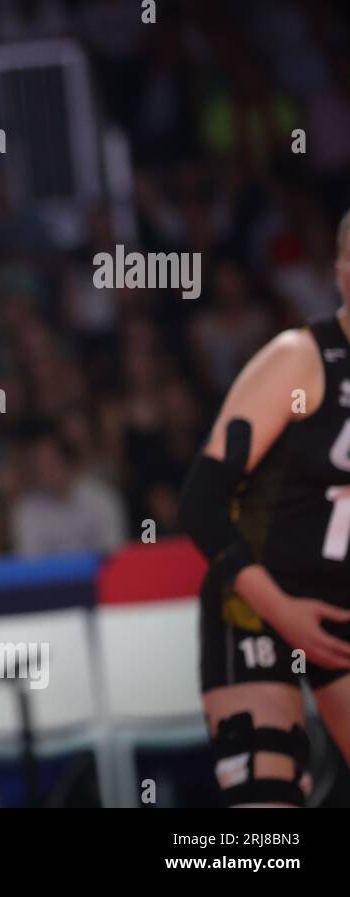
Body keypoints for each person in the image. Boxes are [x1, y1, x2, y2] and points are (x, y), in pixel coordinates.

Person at [181, 209, 350, 807]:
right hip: (253, 606)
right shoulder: (301, 358)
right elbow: (201, 503)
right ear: (341, 271)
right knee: (265, 816)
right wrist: (283, 611)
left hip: (337, 611)